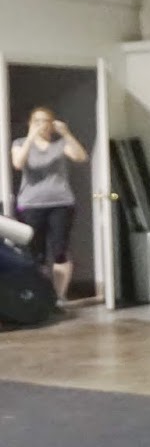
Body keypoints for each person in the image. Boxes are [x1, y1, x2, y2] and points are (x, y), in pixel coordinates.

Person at [9, 106, 88, 302]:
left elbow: (81, 157)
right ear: (30, 123)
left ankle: (59, 296)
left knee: (60, 250)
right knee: (36, 253)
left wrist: (67, 133)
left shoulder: (60, 144)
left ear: (52, 124)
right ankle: (40, 296)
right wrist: (30, 137)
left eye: (46, 121)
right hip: (31, 205)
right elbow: (18, 163)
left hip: (61, 203)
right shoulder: (19, 143)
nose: (42, 125)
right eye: (37, 121)